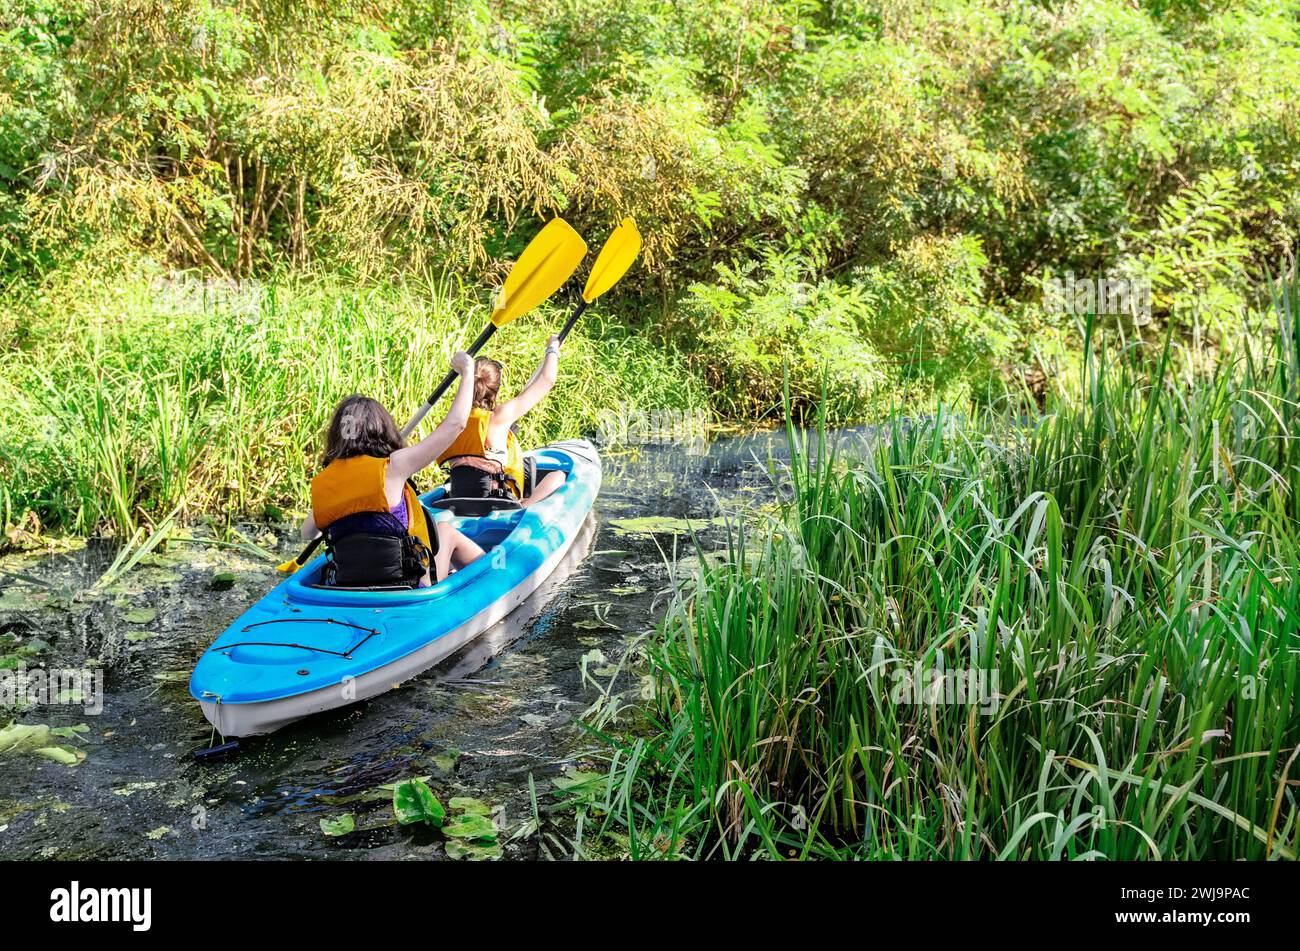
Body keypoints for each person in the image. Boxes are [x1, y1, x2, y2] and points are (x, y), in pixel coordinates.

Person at [300, 352, 486, 587]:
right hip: (407, 586)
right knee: (445, 531)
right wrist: (468, 371)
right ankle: (491, 577)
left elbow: (308, 534)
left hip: (350, 586)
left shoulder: (324, 483)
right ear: (382, 430)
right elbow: (456, 425)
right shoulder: (394, 466)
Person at [437, 335, 567, 505]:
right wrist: (553, 348)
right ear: (495, 392)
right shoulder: (500, 416)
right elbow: (547, 380)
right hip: (497, 503)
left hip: (458, 500)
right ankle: (526, 504)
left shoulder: (452, 421)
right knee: (558, 476)